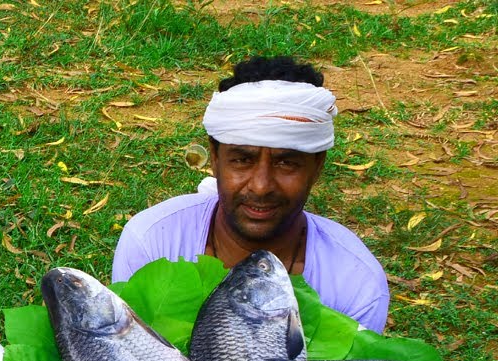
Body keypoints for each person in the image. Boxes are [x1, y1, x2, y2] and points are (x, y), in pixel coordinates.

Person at [112, 55, 390, 333]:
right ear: (215, 158)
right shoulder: (152, 242)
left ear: (317, 166)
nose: (261, 186)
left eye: (286, 163)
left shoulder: (355, 283)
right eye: (242, 160)